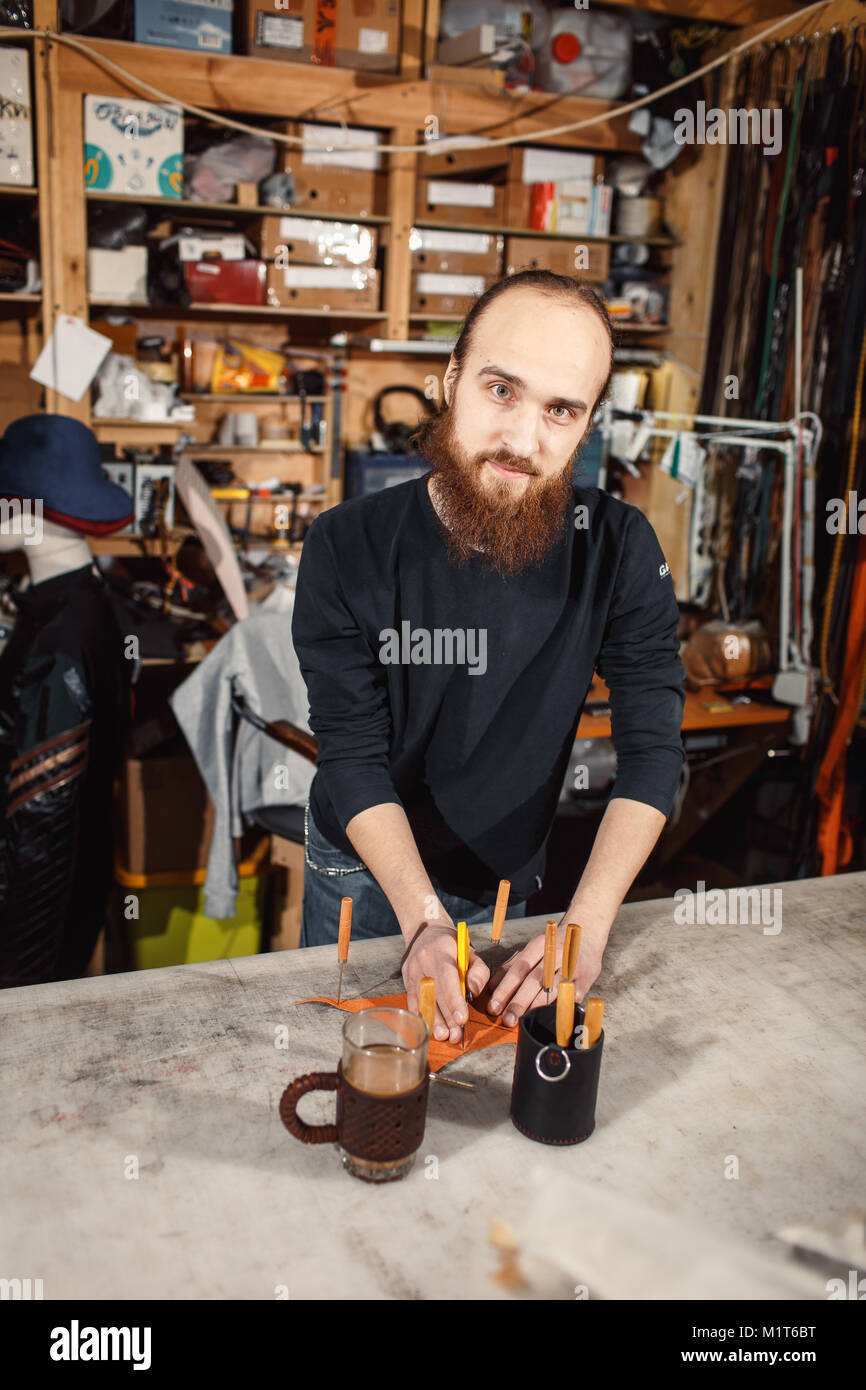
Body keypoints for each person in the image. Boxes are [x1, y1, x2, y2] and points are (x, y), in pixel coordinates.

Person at [292, 270, 685, 1043]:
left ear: (587, 423)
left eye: (561, 410)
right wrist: (422, 921)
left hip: (507, 875)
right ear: (450, 381)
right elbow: (352, 751)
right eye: (501, 390)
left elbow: (653, 751)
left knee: (481, 1073)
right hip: (367, 871)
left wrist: (587, 928)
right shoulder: (346, 547)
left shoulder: (618, 549)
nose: (522, 439)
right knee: (362, 1062)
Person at [0, 414, 133, 987]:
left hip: (35, 917)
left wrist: (19, 963)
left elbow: (42, 822)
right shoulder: (78, 601)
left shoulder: (63, 638)